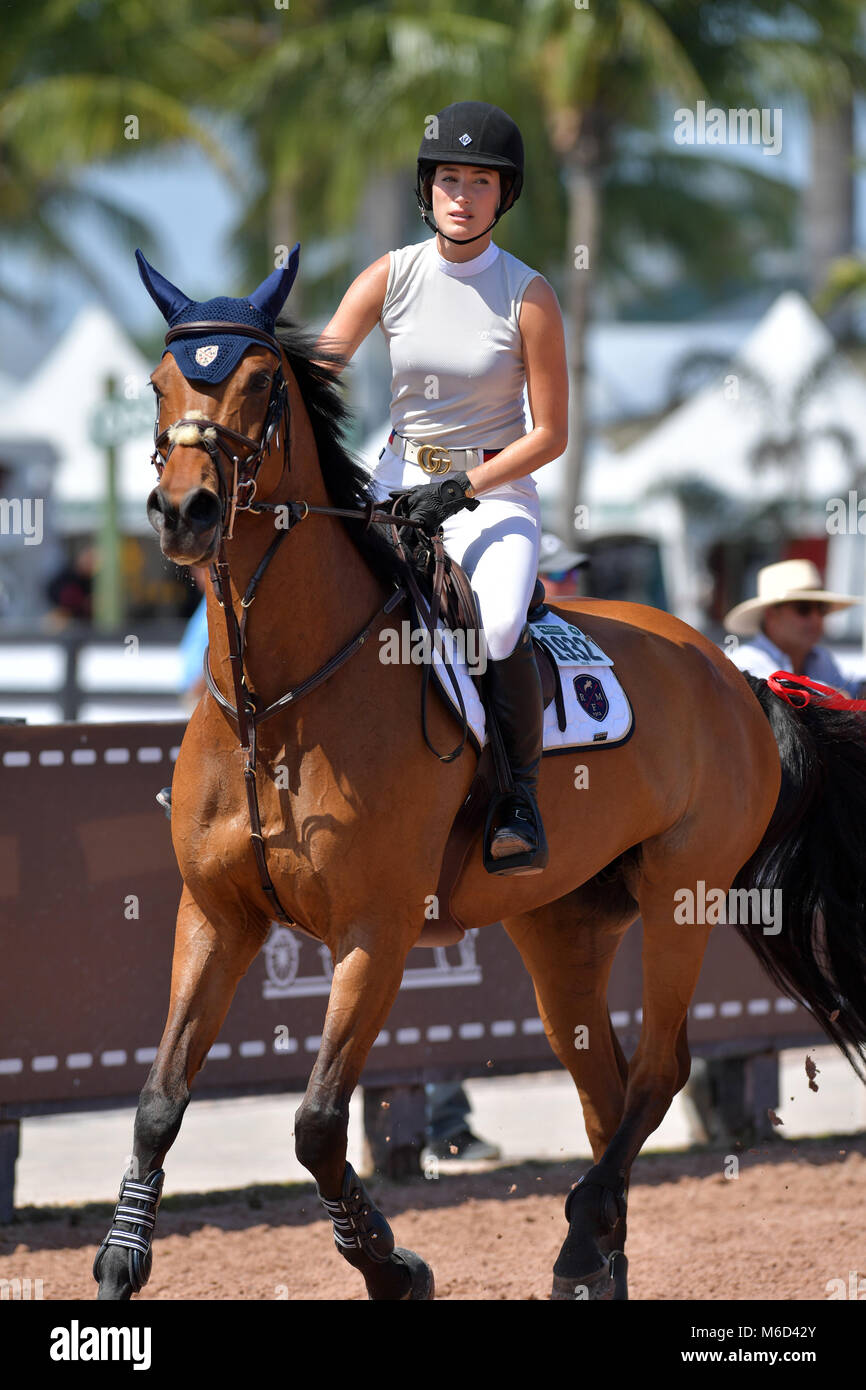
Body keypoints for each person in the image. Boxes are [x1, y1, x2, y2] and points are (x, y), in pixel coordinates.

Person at [314, 100, 568, 874]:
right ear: (427, 189)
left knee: (488, 633)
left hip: (493, 491)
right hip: (394, 480)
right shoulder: (389, 275)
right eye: (448, 179)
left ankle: (515, 798)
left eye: (480, 182)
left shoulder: (530, 296)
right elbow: (315, 373)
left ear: (505, 196)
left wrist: (463, 489)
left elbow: (550, 435)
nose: (462, 194)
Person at [723, 558, 864, 697]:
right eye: (803, 608)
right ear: (771, 615)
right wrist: (836, 696)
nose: (816, 619)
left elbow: (852, 691)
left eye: (821, 608)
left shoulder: (821, 658)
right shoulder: (743, 665)